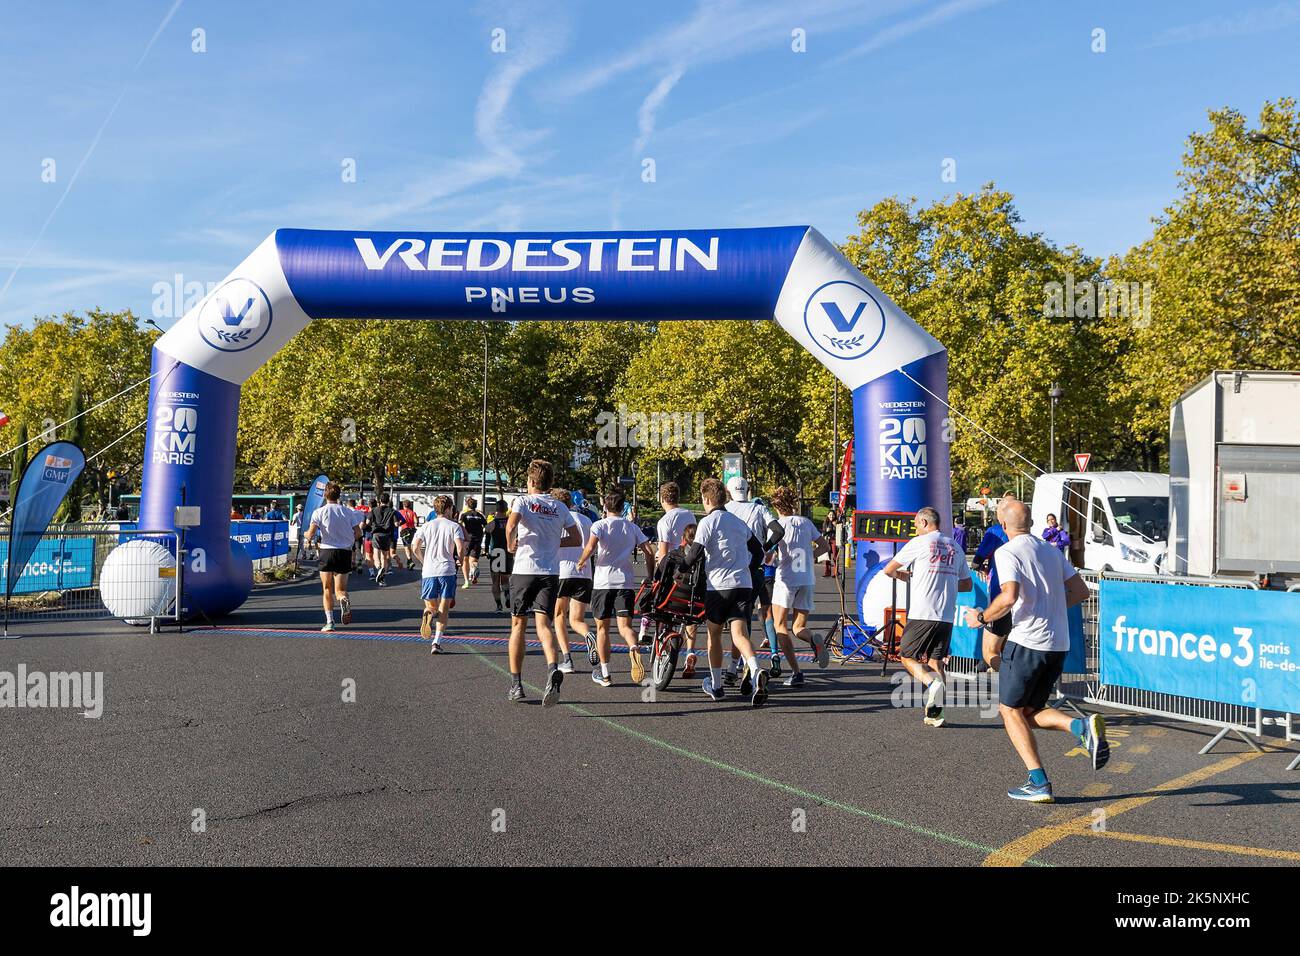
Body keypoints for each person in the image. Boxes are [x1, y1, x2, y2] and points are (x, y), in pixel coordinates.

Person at [963, 500, 1108, 803]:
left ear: (1003, 526)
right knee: (1027, 713)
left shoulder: (1006, 552)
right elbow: (1081, 592)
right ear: (1031, 522)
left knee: (1009, 710)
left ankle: (1039, 781)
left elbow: (1008, 596)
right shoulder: (1051, 551)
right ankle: (1080, 726)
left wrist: (980, 618)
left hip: (1028, 641)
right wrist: (1050, 607)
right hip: (1058, 645)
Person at [680, 477, 769, 707]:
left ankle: (717, 685)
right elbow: (759, 552)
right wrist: (747, 569)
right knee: (740, 635)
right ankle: (757, 669)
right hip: (743, 584)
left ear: (707, 499)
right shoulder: (738, 522)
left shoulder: (707, 523)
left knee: (714, 635)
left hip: (718, 587)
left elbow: (694, 554)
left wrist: (680, 569)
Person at [883, 506, 973, 726]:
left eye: (916, 524)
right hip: (946, 614)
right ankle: (937, 713)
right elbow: (967, 584)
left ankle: (932, 685)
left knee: (906, 656)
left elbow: (889, 569)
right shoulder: (955, 547)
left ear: (924, 522)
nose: (915, 528)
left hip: (923, 611)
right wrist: (946, 581)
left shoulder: (920, 542)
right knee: (936, 662)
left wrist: (904, 576)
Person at [506, 460, 582, 705]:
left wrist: (511, 543)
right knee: (544, 625)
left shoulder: (524, 501)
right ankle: (552, 669)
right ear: (550, 483)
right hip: (550, 572)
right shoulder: (560, 506)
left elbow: (511, 525)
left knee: (518, 625)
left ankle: (516, 684)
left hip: (525, 570)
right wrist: (554, 544)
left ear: (530, 482)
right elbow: (576, 537)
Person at [576, 489, 655, 687]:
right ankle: (634, 647)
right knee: (625, 627)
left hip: (603, 582)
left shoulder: (600, 525)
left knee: (602, 629)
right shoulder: (632, 527)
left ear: (605, 506)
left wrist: (581, 561)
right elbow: (648, 551)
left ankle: (605, 674)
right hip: (625, 582)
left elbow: (591, 547)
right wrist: (650, 575)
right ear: (622, 507)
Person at [768, 486, 832, 687]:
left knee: (780, 626)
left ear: (776, 506)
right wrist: (810, 557)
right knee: (798, 627)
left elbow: (769, 554)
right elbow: (825, 546)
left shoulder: (777, 525)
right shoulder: (806, 523)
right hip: (806, 578)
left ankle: (796, 672)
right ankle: (813, 640)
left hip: (786, 578)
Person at [723, 475, 784, 682]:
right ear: (747, 490)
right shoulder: (759, 509)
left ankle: (738, 665)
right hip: (758, 569)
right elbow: (778, 530)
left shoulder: (726, 510)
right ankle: (775, 655)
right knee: (766, 614)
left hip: (732, 570)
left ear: (729, 491)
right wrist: (764, 548)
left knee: (738, 619)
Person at [304, 482, 365, 632]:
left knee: (326, 588)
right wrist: (348, 540)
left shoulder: (319, 512)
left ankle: (330, 622)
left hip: (326, 552)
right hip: (344, 551)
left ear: (325, 495)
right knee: (340, 590)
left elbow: (311, 534)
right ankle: (343, 600)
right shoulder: (348, 512)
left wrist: (305, 534)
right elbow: (358, 533)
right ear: (339, 496)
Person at [654, 481, 700, 676]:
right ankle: (690, 650)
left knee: (663, 606)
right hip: (692, 570)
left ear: (662, 499)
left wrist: (656, 573)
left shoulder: (665, 521)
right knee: (690, 611)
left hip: (674, 569)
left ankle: (664, 647)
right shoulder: (689, 515)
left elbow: (663, 554)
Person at [412, 494, 464, 654]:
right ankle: (436, 642)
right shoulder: (454, 526)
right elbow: (460, 547)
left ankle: (429, 613)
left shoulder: (426, 526)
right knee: (444, 608)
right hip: (446, 569)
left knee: (431, 606)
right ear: (448, 509)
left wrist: (423, 561)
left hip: (429, 570)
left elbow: (415, 547)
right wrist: (460, 560)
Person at [551, 488, 593, 675]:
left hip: (563, 571)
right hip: (584, 573)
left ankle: (567, 659)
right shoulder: (586, 520)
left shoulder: (557, 518)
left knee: (559, 615)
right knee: (577, 620)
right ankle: (588, 635)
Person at [973, 494, 1016, 672]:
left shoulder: (995, 531)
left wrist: (980, 567)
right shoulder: (1034, 540)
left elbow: (977, 560)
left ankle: (1010, 673)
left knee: (989, 649)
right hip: (1025, 596)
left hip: (1001, 592)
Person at [485, 499, 512, 612]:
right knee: (505, 579)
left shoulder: (491, 524)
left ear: (496, 509)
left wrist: (486, 551)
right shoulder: (511, 522)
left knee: (495, 581)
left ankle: (499, 605)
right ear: (506, 509)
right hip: (507, 552)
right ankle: (507, 593)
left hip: (496, 553)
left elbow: (487, 539)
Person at [459, 497, 487, 589]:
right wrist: (481, 533)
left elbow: (459, 524)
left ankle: (466, 581)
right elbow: (485, 525)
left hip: (468, 538)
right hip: (477, 539)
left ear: (467, 505)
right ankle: (474, 570)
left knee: (465, 559)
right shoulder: (480, 514)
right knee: (474, 559)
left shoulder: (464, 514)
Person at [398, 499, 419, 569]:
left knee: (406, 547)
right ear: (410, 505)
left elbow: (398, 521)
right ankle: (409, 562)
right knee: (408, 545)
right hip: (411, 530)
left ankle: (410, 561)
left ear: (403, 505)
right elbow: (416, 521)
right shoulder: (413, 512)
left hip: (404, 530)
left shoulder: (400, 512)